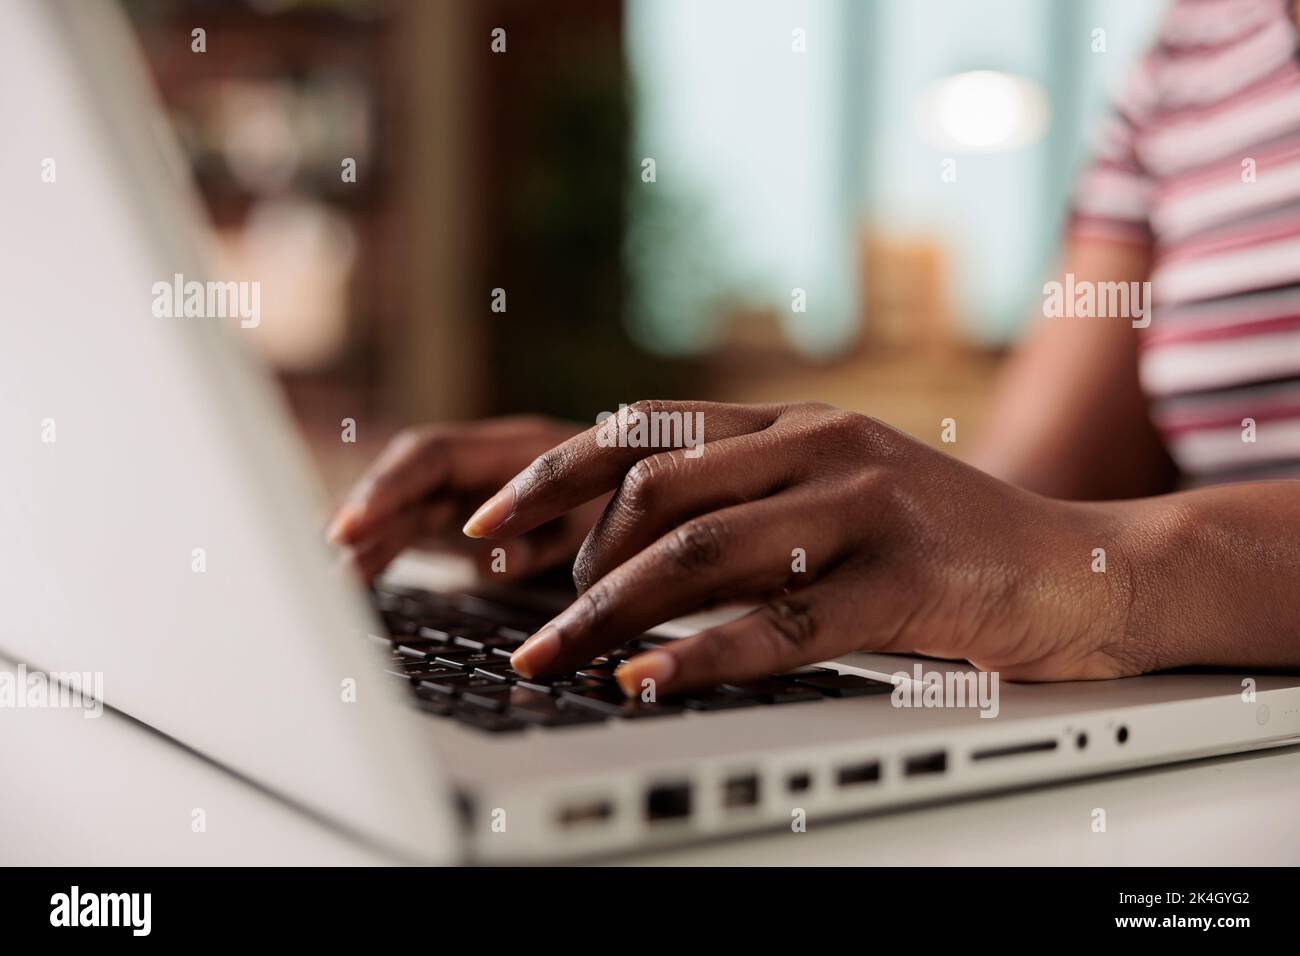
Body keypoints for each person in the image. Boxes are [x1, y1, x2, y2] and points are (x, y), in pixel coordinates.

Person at [328, 0, 1300, 698]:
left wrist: (1122, 572)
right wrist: (712, 507)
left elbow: (1076, 556)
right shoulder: (1194, 42)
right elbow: (1024, 505)